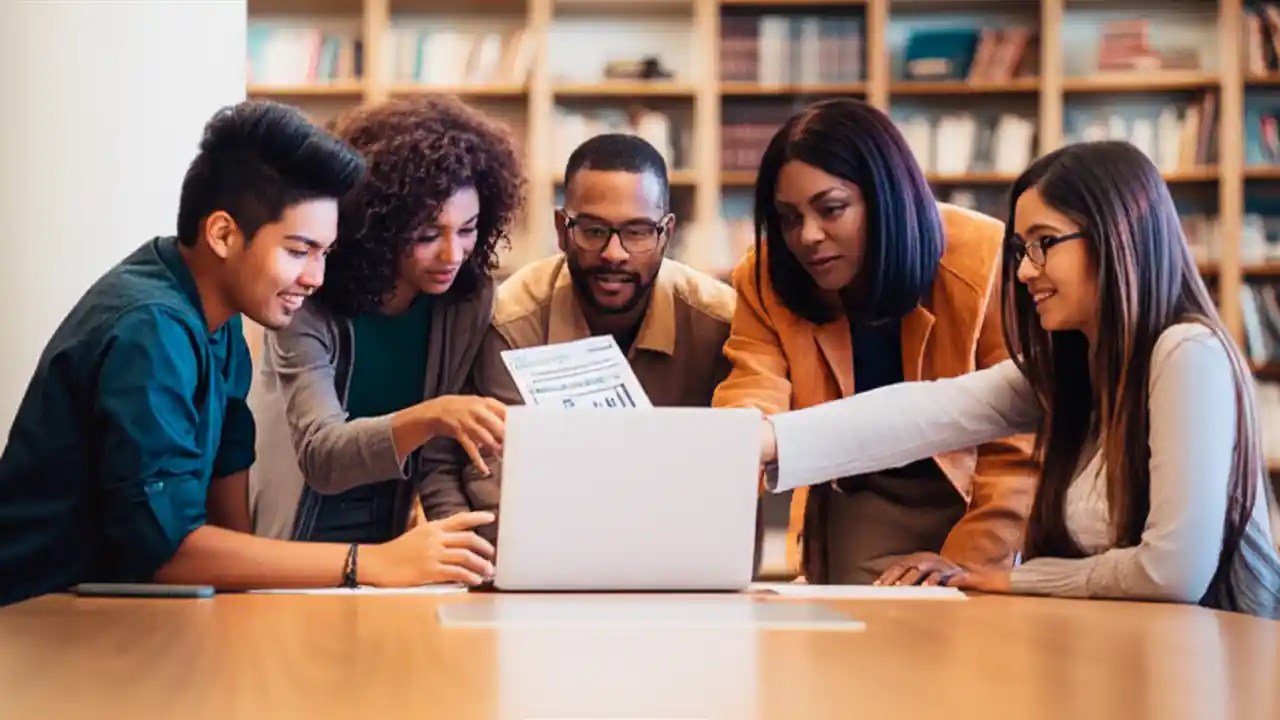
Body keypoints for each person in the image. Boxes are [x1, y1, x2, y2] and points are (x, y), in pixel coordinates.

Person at [0, 100, 494, 607]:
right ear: (222, 234)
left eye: (324, 253)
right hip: (41, 613)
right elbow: (165, 551)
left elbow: (225, 490)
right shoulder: (150, 328)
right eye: (298, 251)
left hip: (121, 609)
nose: (315, 278)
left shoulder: (218, 315)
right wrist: (370, 562)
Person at [758, 141, 1280, 618]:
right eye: (1020, 250)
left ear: (1115, 235)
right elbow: (928, 412)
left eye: (1044, 243)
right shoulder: (1074, 364)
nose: (1026, 271)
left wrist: (1015, 578)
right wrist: (765, 439)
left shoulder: (1186, 353)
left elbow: (1173, 574)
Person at [712, 98, 1039, 586]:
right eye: (787, 217)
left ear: (885, 196)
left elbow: (1017, 448)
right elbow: (751, 392)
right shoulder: (765, 275)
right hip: (858, 498)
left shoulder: (986, 260)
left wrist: (968, 566)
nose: (808, 236)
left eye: (832, 209)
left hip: (976, 496)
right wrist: (731, 453)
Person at [247, 96, 524, 558]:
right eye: (427, 235)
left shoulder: (465, 301)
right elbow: (322, 457)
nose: (453, 255)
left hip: (389, 546)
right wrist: (433, 414)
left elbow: (437, 456)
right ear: (378, 228)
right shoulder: (307, 300)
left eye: (469, 228)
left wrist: (465, 546)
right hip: (291, 545)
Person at [458, 133, 737, 531]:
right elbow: (501, 482)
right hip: (549, 550)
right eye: (592, 230)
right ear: (561, 229)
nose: (614, 253)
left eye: (637, 232)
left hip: (687, 546)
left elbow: (733, 479)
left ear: (667, 234)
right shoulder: (511, 322)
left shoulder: (720, 321)